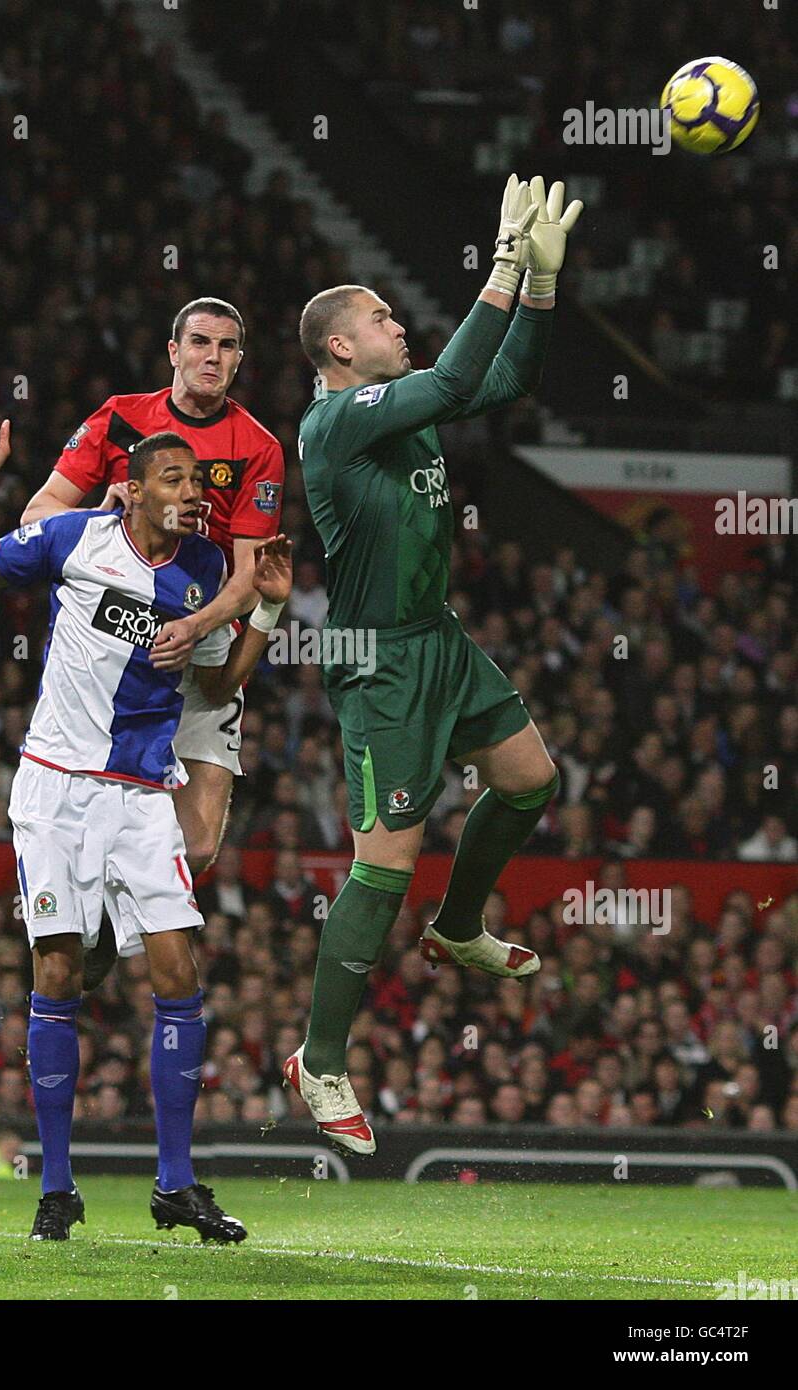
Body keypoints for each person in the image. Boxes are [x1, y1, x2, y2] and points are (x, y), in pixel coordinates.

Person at [0, 407, 292, 1242]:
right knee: (58, 974)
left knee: (177, 972)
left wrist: (264, 615)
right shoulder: (72, 540)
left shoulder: (202, 572)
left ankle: (174, 1184)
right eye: (175, 479)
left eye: (199, 481)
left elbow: (218, 688)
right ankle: (57, 1189)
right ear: (128, 493)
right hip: (55, 787)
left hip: (139, 795)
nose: (194, 494)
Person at [288, 174, 583, 1154]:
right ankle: (319, 1059)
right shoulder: (333, 423)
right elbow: (460, 380)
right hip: (379, 665)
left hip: (438, 639)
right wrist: (502, 263)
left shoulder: (397, 406)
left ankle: (460, 928)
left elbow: (506, 383)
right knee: (384, 865)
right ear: (341, 346)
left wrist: (539, 285)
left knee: (531, 779)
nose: (396, 324)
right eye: (380, 317)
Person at [20, 298, 285, 994]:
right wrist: (102, 507)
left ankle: (107, 921)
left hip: (200, 636)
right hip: (113, 637)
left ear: (238, 359)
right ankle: (72, 922)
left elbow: (251, 573)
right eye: (199, 342)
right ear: (172, 350)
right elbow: (38, 516)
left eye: (227, 347)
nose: (212, 357)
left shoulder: (258, 446)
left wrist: (197, 628)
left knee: (197, 844)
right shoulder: (117, 418)